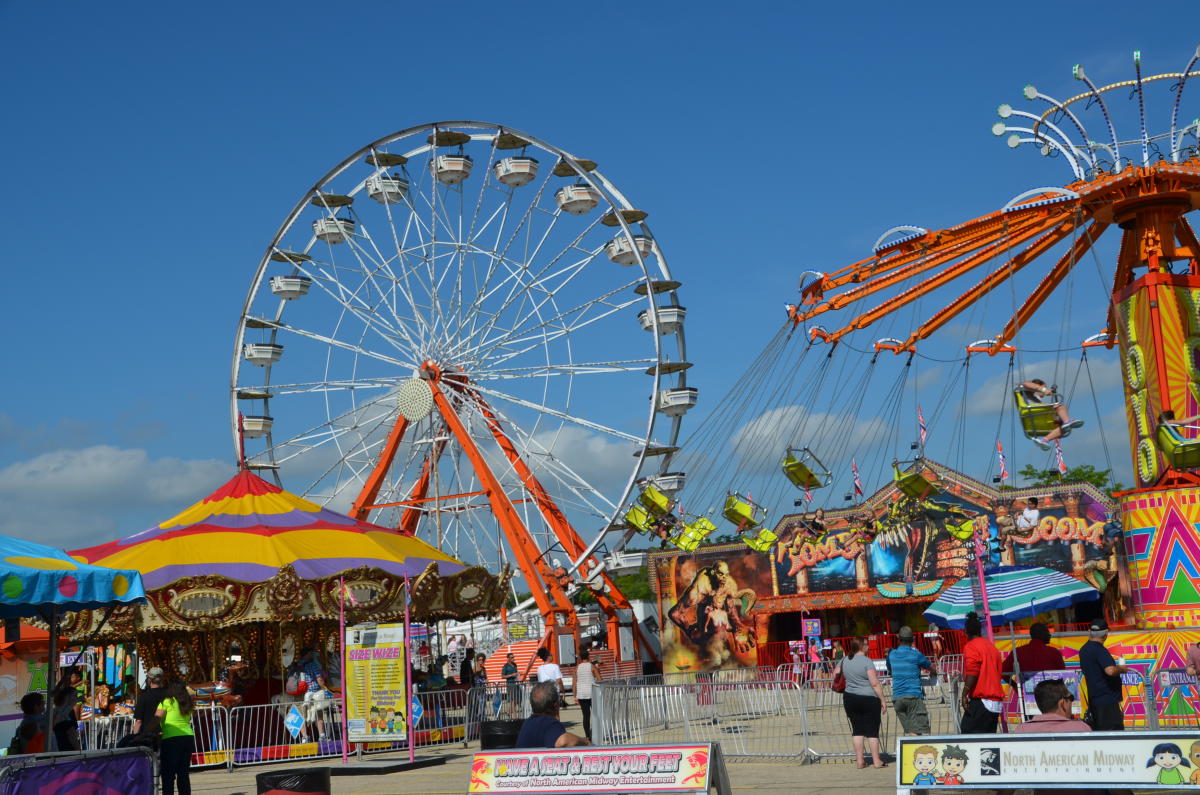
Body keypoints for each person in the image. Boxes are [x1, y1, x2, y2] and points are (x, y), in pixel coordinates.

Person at [837, 637, 887, 768]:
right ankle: (877, 761)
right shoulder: (867, 661)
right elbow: (875, 683)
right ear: (862, 646)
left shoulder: (844, 660)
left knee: (857, 730)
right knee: (872, 730)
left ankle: (860, 761)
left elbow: (835, 674)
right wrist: (882, 699)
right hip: (868, 698)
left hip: (850, 698)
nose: (868, 647)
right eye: (866, 644)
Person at [1078, 619, 1127, 730]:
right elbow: (1110, 671)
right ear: (1106, 633)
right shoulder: (1100, 650)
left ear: (1089, 631)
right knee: (1114, 737)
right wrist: (1121, 669)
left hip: (1094, 699)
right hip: (1107, 700)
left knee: (1101, 735)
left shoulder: (1084, 649)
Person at [886, 626, 935, 736]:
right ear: (912, 640)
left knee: (911, 731)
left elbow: (889, 668)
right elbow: (929, 666)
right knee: (917, 732)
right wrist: (934, 672)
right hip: (913, 696)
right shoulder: (915, 654)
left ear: (899, 639)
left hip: (897, 698)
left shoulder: (892, 654)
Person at [960, 612, 1003, 734]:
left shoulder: (971, 646)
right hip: (994, 702)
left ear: (966, 631)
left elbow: (973, 671)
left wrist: (964, 694)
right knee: (987, 740)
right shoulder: (991, 646)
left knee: (969, 735)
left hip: (982, 700)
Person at [514, 682, 587, 748]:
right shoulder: (548, 723)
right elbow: (563, 742)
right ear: (555, 705)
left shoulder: (528, 722)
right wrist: (584, 742)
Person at [155, 681, 195, 795]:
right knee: (183, 773)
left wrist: (147, 731)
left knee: (168, 774)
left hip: (170, 739)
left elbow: (157, 718)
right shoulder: (186, 703)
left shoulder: (167, 702)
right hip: (187, 737)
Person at [1018, 379, 1083, 449]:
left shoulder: (1038, 400)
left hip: (1036, 421)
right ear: (1037, 386)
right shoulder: (1027, 392)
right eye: (1045, 387)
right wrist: (1043, 390)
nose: (1046, 389)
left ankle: (1044, 440)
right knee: (1060, 406)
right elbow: (1025, 384)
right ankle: (1067, 421)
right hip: (1031, 414)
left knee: (1064, 428)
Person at [1012, 679, 1091, 733]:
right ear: (1062, 703)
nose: (1072, 701)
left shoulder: (1022, 730)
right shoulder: (1081, 729)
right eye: (1071, 698)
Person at [298, 645, 334, 741]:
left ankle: (305, 737)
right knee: (318, 714)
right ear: (308, 654)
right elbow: (319, 679)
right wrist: (325, 689)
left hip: (302, 694)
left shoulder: (298, 665)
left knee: (303, 716)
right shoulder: (312, 665)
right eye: (311, 653)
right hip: (314, 693)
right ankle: (322, 736)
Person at [1002, 622, 1066, 675]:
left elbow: (1002, 672)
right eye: (1047, 632)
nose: (1050, 635)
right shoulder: (1054, 652)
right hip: (1051, 689)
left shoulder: (1017, 652)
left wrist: (1016, 686)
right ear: (1040, 634)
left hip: (1026, 689)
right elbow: (1064, 673)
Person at [574, 648, 600, 742]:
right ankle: (597, 734)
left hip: (581, 694)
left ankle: (588, 737)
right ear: (588, 656)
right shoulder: (592, 666)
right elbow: (599, 679)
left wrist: (574, 695)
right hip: (592, 693)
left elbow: (574, 682)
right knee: (596, 715)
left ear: (580, 658)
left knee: (586, 716)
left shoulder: (577, 667)